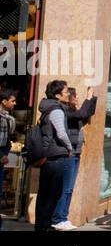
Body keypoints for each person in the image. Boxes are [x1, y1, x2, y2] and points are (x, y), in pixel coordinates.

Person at [51, 85, 98, 230]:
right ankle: (59, 218)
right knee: (65, 188)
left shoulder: (74, 112)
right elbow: (83, 113)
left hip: (76, 153)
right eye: (75, 96)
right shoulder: (65, 112)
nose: (77, 98)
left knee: (69, 188)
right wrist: (88, 97)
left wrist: (93, 97)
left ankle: (62, 217)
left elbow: (88, 112)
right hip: (68, 154)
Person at [33, 79, 75, 232]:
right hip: (55, 156)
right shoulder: (56, 110)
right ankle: (44, 226)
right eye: (65, 92)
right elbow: (61, 133)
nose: (68, 94)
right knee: (52, 194)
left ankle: (41, 226)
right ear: (57, 95)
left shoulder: (48, 108)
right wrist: (69, 147)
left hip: (50, 155)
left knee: (45, 194)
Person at [0, 88, 15, 231]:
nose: (14, 103)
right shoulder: (6, 119)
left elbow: (7, 141)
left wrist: (4, 153)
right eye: (12, 101)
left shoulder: (9, 119)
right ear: (4, 102)